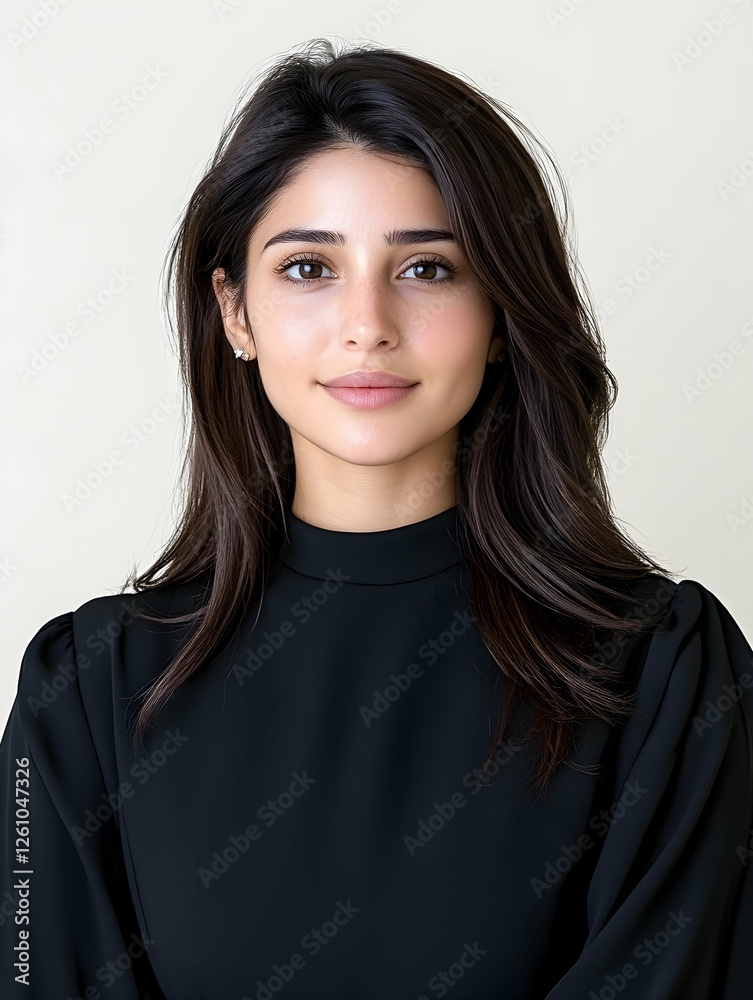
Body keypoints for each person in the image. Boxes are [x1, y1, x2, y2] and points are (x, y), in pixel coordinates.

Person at [1, 37, 752, 1000]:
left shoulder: (667, 677)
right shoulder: (86, 692)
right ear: (234, 312)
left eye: (428, 269)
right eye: (308, 268)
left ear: (499, 312)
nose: (368, 324)